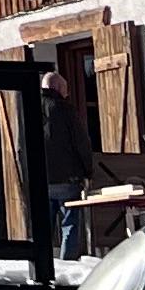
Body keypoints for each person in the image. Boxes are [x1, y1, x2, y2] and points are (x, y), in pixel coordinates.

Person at [39, 57, 92, 266]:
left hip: (41, 179)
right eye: (66, 90)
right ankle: (67, 266)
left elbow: (20, 147)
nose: (68, 94)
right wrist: (88, 172)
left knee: (44, 227)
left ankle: (41, 264)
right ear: (59, 89)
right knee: (69, 224)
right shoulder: (66, 110)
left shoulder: (27, 109)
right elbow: (81, 142)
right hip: (67, 179)